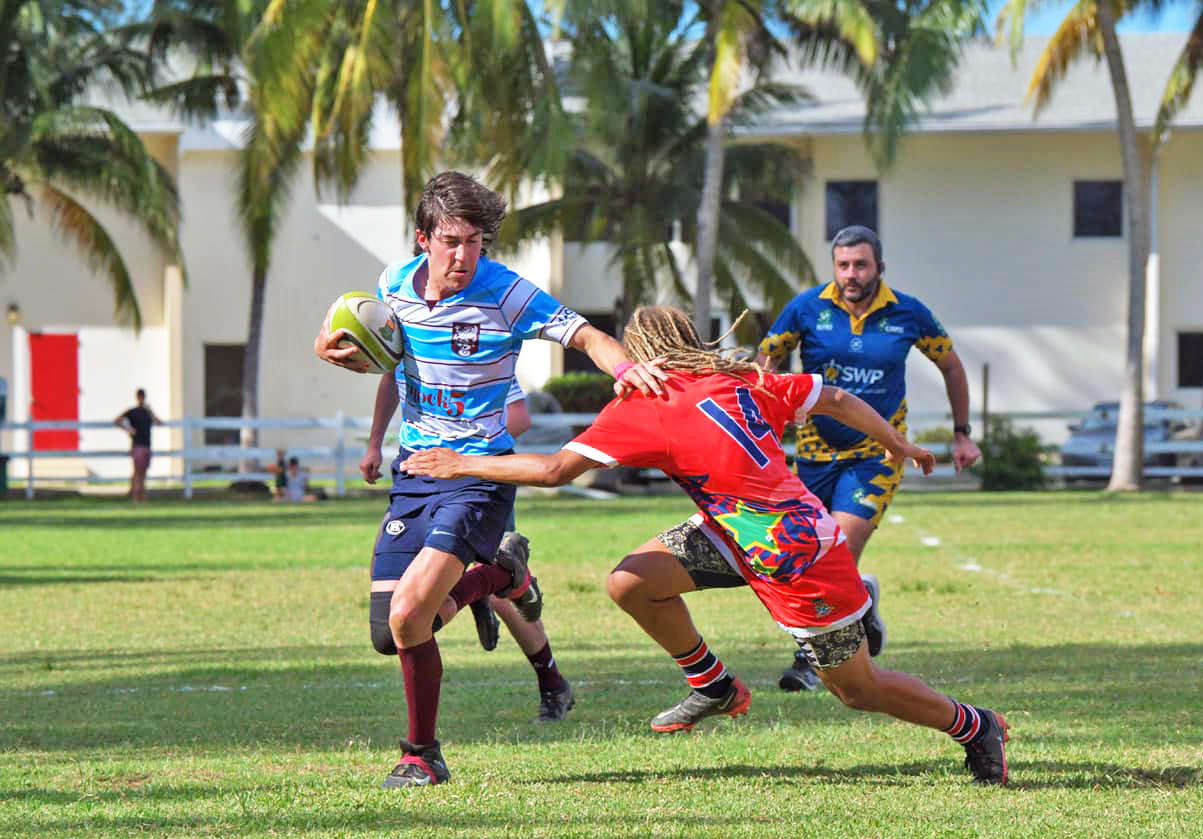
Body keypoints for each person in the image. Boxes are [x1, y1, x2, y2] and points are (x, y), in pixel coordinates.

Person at [405, 306, 1010, 786]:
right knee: (632, 582)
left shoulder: (645, 403)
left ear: (638, 355)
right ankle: (715, 685)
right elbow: (837, 399)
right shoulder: (739, 377)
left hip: (796, 556)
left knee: (858, 689)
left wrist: (461, 463)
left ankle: (975, 726)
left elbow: (554, 471)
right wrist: (898, 443)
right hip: (739, 532)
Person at [315, 170, 664, 788]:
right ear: (423, 238)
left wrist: (627, 368)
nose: (463, 255)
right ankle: (505, 573)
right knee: (391, 634)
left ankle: (421, 753)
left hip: (479, 476)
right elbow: (374, 359)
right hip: (415, 471)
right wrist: (354, 401)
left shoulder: (506, 293)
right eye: (451, 240)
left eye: (475, 241)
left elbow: (587, 335)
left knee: (412, 613)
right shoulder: (392, 285)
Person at [757, 225, 982, 691]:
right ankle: (864, 603)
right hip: (815, 454)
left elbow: (951, 365)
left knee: (836, 547)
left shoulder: (909, 313)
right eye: (843, 265)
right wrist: (769, 415)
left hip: (877, 456)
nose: (851, 274)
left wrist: (962, 434)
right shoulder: (806, 308)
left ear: (880, 266)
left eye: (860, 264)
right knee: (800, 553)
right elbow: (766, 360)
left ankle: (809, 661)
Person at [359, 377, 575, 724]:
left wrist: (466, 449)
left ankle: (552, 685)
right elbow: (389, 380)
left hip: (478, 483)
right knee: (391, 605)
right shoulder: (408, 340)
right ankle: (483, 586)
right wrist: (374, 444)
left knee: (503, 595)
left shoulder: (481, 353)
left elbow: (519, 417)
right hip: (419, 485)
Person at [115, 388, 160, 502]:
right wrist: (129, 429)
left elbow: (158, 422)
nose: (142, 399)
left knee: (143, 472)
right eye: (140, 396)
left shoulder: (147, 412)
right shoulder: (133, 412)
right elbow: (118, 420)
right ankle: (136, 497)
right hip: (138, 445)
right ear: (137, 397)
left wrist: (150, 411)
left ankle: (140, 495)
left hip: (146, 445)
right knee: (138, 472)